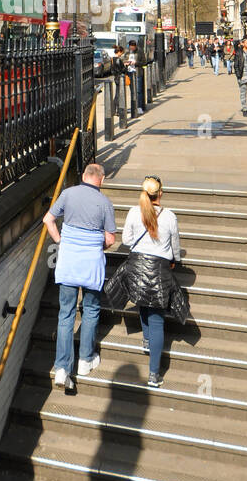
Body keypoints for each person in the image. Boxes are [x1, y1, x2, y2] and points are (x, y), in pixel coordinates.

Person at [102, 176, 188, 388]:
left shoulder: (133, 212)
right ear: (160, 193)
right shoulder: (169, 216)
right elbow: (174, 245)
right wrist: (175, 260)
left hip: (137, 266)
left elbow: (128, 241)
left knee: (142, 301)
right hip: (159, 269)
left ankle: (147, 340)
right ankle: (153, 374)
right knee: (158, 318)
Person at [43, 162, 117, 391]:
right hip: (91, 265)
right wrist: (95, 244)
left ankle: (62, 367)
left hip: (68, 263)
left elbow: (48, 220)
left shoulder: (68, 193)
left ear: (84, 176)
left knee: (65, 314)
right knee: (91, 309)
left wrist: (60, 241)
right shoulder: (104, 203)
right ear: (101, 180)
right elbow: (111, 239)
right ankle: (85, 360)